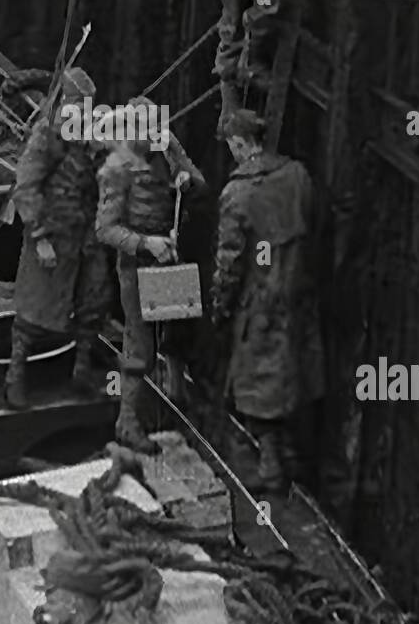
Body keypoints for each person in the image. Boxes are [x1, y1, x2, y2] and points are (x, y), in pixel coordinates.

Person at [212, 109, 326, 494]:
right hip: (298, 292)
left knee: (261, 383)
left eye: (232, 146)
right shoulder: (297, 176)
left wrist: (220, 305)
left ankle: (271, 468)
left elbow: (229, 261)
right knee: (293, 373)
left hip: (260, 301)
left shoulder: (237, 194)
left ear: (241, 144)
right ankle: (292, 456)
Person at [94, 97, 205, 452]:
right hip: (137, 263)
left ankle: (176, 393)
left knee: (179, 325)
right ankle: (128, 422)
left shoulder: (166, 142)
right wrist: (145, 244)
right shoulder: (116, 168)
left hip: (169, 252)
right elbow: (105, 230)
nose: (158, 138)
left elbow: (197, 179)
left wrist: (187, 179)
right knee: (139, 344)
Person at [5, 67, 111, 408]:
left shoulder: (93, 130)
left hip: (86, 234)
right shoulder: (46, 135)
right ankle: (15, 378)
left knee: (93, 301)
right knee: (34, 311)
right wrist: (39, 237)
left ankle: (81, 372)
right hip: (54, 233)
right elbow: (26, 186)